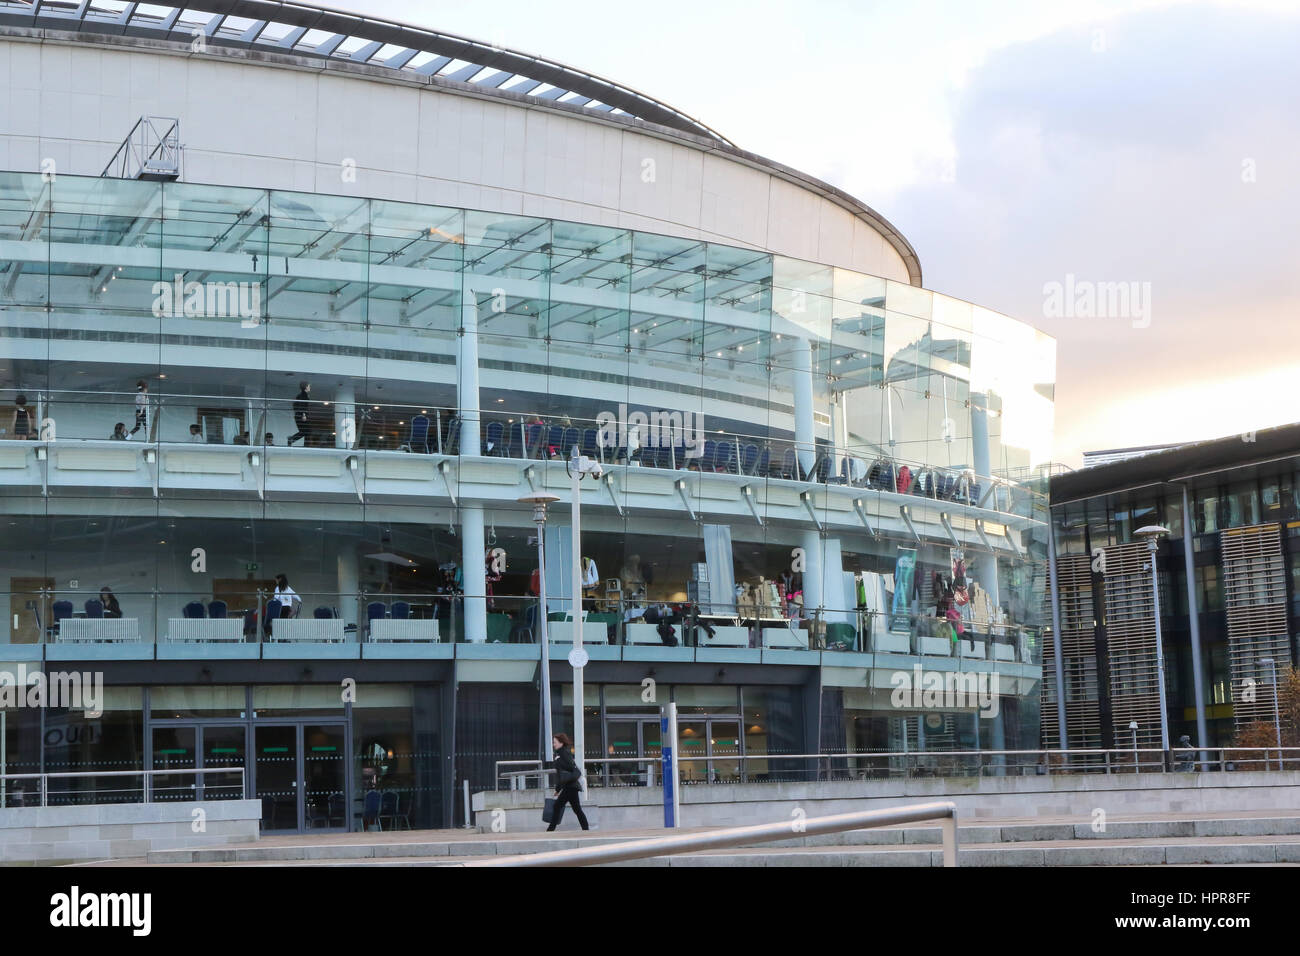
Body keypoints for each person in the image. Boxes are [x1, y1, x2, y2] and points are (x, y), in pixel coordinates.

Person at [546, 733, 589, 831]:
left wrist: (558, 788)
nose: (554, 744)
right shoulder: (561, 754)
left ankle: (550, 830)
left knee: (557, 806)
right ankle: (586, 829)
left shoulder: (564, 754)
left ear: (561, 743)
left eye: (555, 742)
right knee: (577, 809)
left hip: (570, 786)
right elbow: (562, 774)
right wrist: (558, 789)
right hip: (570, 786)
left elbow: (571, 770)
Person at [288, 382, 311, 446]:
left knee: (305, 431)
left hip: (298, 415)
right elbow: (302, 405)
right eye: (309, 386)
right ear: (306, 387)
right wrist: (303, 415)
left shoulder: (300, 395)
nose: (310, 388)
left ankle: (291, 439)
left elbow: (296, 405)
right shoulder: (304, 395)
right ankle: (292, 439)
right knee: (307, 431)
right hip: (301, 416)